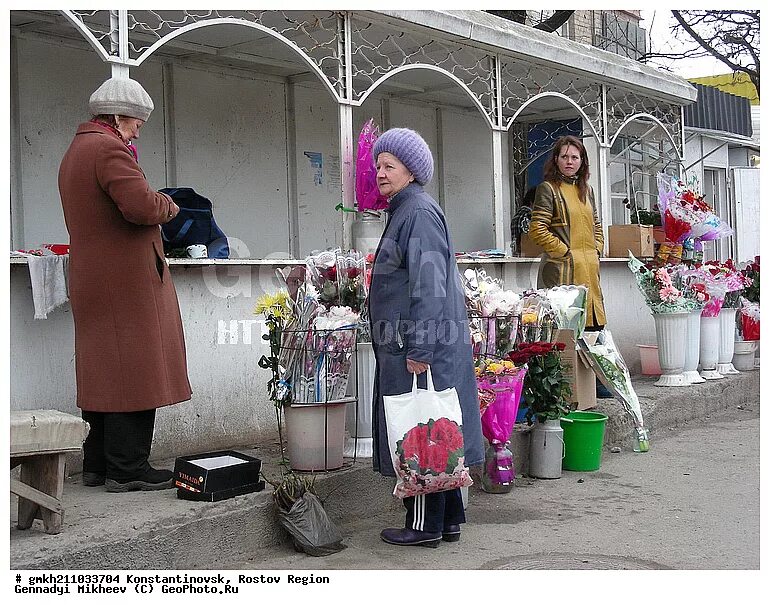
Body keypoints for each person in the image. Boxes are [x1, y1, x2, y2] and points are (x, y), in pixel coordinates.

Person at [58, 76, 192, 492]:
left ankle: (98, 464)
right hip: (126, 281)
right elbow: (140, 206)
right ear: (117, 117)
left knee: (104, 371)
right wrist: (170, 205)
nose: (138, 130)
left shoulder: (77, 150)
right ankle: (128, 468)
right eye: (136, 122)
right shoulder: (109, 149)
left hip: (96, 278)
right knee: (136, 370)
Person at [368, 128, 483, 547]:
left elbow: (429, 284)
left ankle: (423, 525)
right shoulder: (408, 210)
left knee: (423, 429)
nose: (380, 172)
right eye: (378, 165)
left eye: (389, 166)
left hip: (417, 345)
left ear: (411, 171)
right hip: (417, 340)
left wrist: (420, 347)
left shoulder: (415, 211)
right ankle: (449, 518)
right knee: (439, 425)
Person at [528, 135, 606, 330]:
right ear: (556, 160)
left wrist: (597, 248)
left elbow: (596, 224)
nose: (569, 161)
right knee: (565, 330)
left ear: (582, 161)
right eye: (564, 157)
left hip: (589, 269)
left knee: (594, 329)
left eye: (574, 157)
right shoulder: (548, 189)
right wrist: (565, 253)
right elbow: (537, 229)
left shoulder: (587, 191)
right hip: (562, 273)